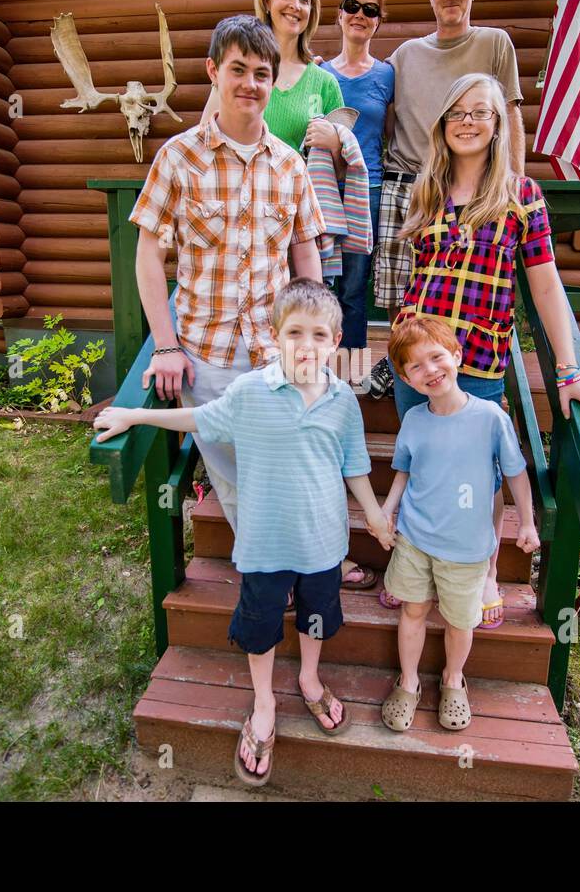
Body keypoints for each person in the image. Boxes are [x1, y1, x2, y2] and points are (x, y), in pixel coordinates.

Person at [93, 279, 395, 786]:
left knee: (316, 618)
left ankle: (309, 678)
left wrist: (374, 514)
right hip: (263, 546)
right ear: (275, 334)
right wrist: (133, 413)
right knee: (261, 625)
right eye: (294, 332)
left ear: (335, 342)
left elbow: (355, 465)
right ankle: (262, 703)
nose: (306, 344)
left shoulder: (344, 400)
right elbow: (198, 418)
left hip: (323, 544)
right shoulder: (250, 391)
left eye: (319, 334)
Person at [381, 72, 580, 626]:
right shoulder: (426, 189)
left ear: (498, 124)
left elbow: (545, 283)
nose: (468, 122)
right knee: (421, 463)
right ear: (443, 124)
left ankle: (483, 565)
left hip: (479, 360)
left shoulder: (521, 195)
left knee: (480, 474)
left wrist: (567, 370)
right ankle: (415, 561)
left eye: (480, 112)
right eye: (457, 112)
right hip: (417, 358)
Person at [128, 15, 325, 532]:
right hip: (205, 353)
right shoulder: (177, 158)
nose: (250, 83)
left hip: (275, 350)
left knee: (290, 459)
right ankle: (267, 569)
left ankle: (309, 554)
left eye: (262, 73)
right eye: (238, 69)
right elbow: (149, 258)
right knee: (235, 476)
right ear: (213, 71)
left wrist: (314, 336)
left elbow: (305, 255)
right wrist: (166, 346)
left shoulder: (291, 166)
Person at [365, 0, 525, 399]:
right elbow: (373, 94)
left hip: (473, 188)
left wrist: (512, 180)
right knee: (406, 290)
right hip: (408, 183)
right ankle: (399, 361)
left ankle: (457, 368)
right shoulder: (406, 54)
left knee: (464, 285)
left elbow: (510, 113)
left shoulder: (494, 43)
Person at [378, 315, 537, 732]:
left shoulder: (489, 418)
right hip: (415, 539)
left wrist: (526, 522)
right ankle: (409, 682)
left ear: (457, 357)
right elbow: (404, 472)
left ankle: (452, 679)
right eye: (416, 366)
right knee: (413, 610)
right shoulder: (414, 421)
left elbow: (515, 472)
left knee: (459, 620)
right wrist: (387, 510)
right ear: (408, 380)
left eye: (436, 358)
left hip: (467, 548)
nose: (429, 370)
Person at [318, 0, 395, 355]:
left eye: (370, 10)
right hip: (324, 188)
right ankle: (317, 366)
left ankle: (351, 370)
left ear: (378, 20)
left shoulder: (386, 74)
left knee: (353, 284)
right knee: (319, 278)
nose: (359, 15)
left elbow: (391, 133)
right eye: (352, 6)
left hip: (368, 190)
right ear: (339, 14)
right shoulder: (319, 73)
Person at [203, 0, 344, 157]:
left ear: (311, 11)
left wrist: (336, 145)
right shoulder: (241, 72)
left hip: (300, 186)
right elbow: (204, 139)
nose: (295, 5)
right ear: (267, 0)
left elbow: (341, 170)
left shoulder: (325, 83)